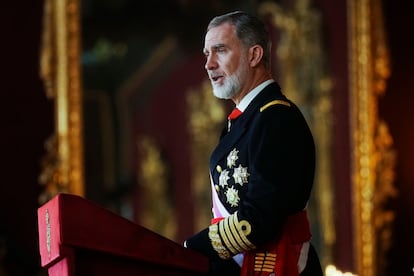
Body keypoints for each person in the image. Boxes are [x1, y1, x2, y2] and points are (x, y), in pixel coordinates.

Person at [184, 11, 323, 276]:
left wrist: (194, 246)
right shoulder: (248, 119)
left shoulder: (276, 118)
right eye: (206, 54)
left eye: (220, 51)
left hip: (276, 264)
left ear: (254, 55)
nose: (209, 64)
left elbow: (260, 219)